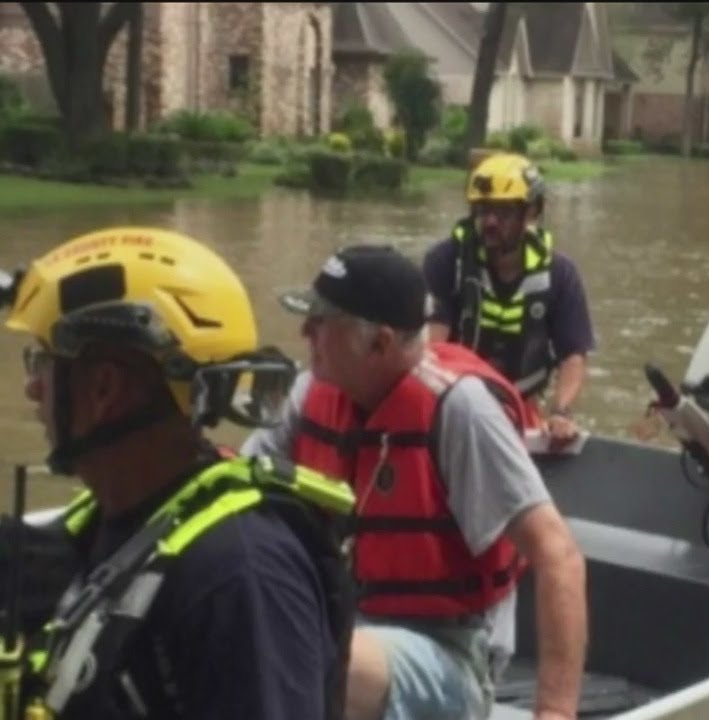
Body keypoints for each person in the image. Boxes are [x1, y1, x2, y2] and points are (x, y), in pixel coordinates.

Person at [0, 226, 358, 719]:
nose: (31, 389)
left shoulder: (240, 575)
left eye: (41, 362)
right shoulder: (114, 515)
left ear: (104, 387)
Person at [244, 244, 588, 720]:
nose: (305, 333)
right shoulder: (310, 390)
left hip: (448, 649)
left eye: (321, 322)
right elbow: (240, 489)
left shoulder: (459, 410)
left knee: (321, 660)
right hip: (338, 616)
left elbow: (559, 555)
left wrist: (554, 711)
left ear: (380, 344)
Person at [422, 153, 596, 447]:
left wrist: (561, 413)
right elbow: (431, 345)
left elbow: (573, 356)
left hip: (519, 405)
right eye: (483, 210)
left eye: (503, 213)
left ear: (531, 213)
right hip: (451, 399)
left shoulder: (560, 274)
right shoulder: (447, 261)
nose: (489, 222)